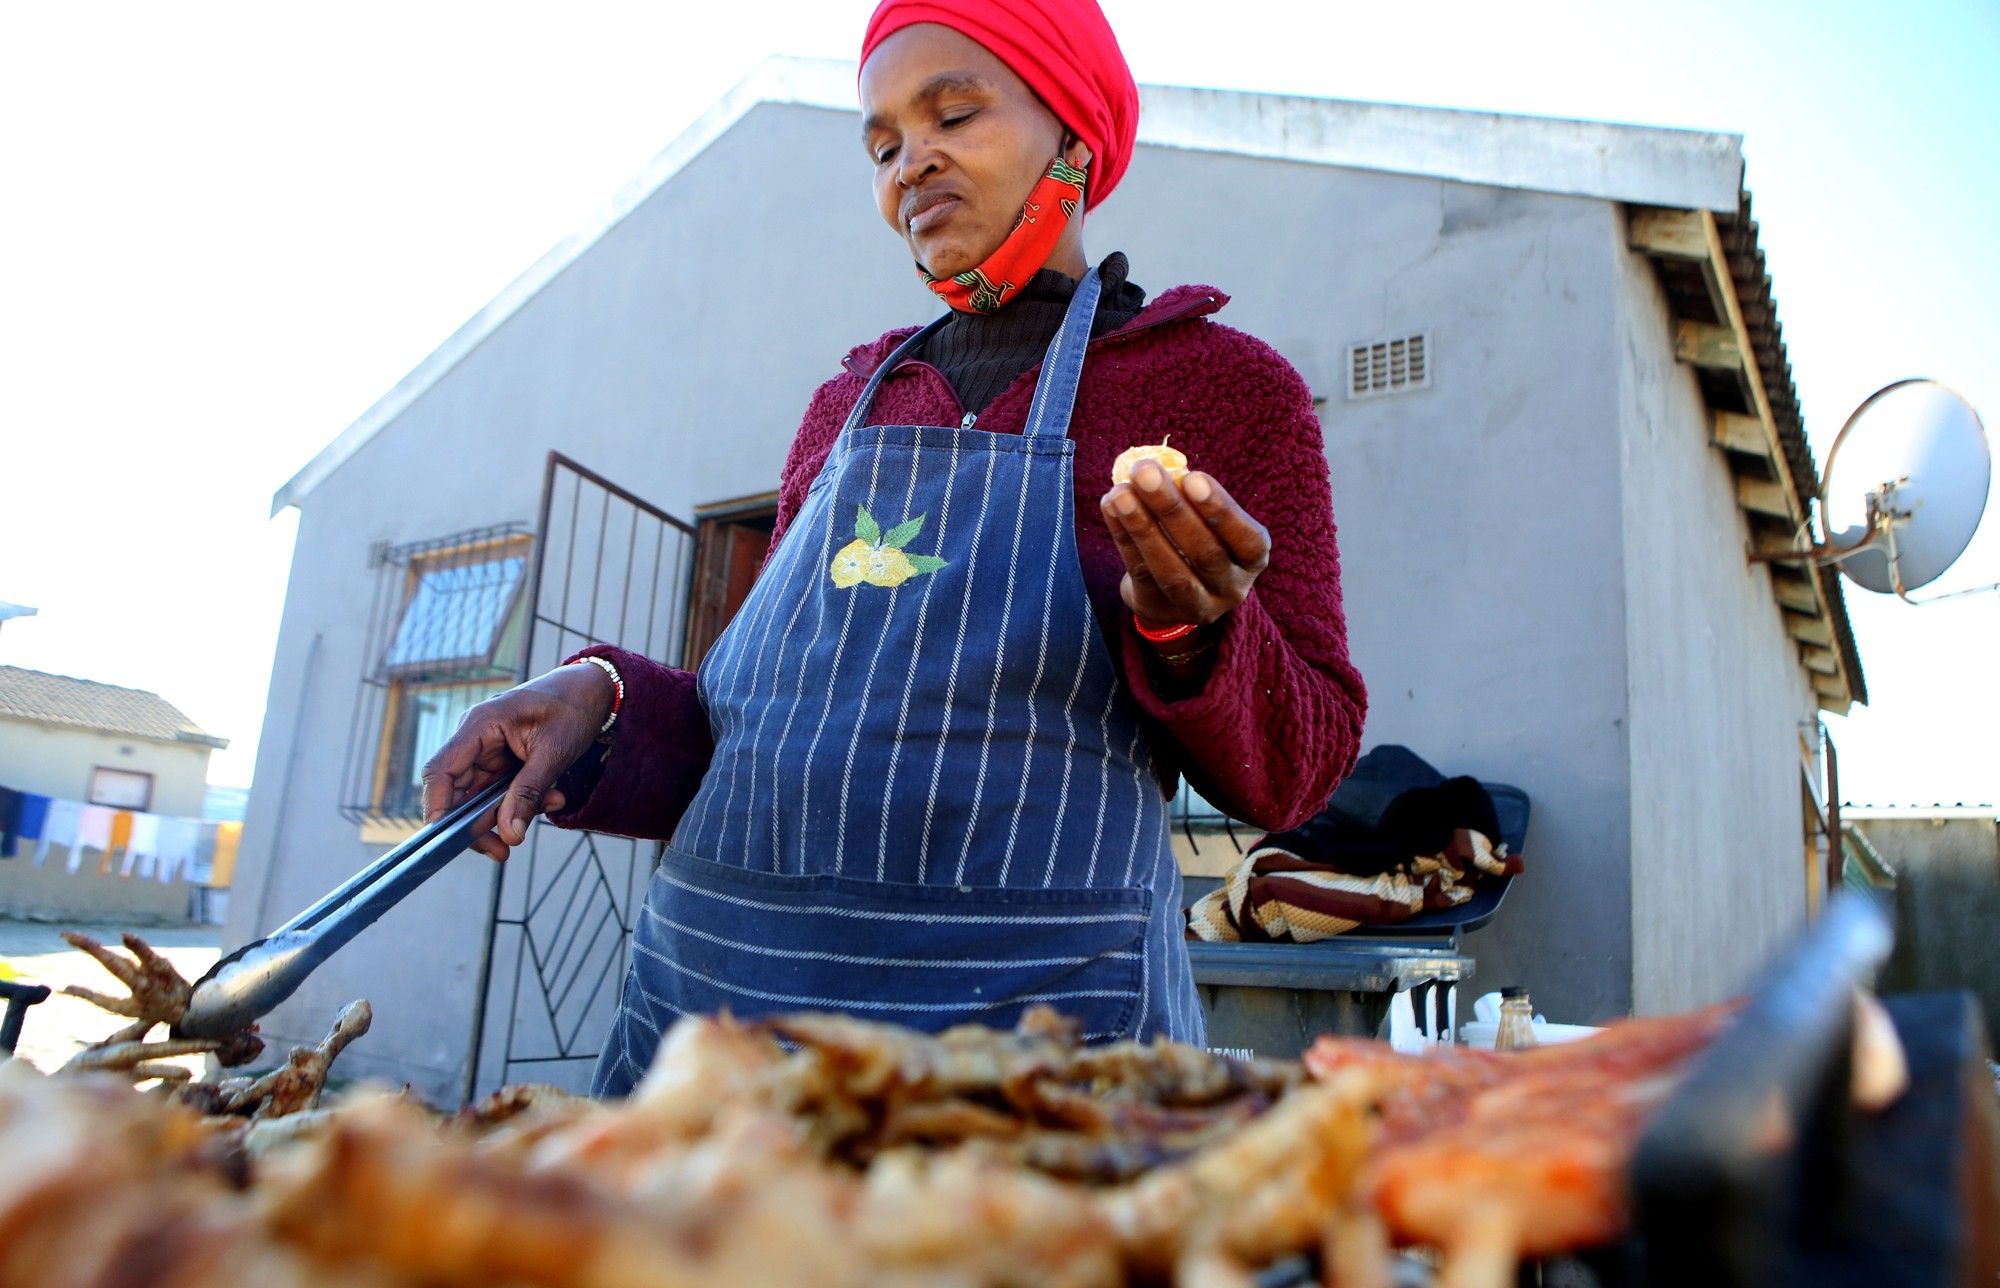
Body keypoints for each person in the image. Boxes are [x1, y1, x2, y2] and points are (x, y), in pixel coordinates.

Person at [423, 0, 1367, 1097]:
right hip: (726, 1045)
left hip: (1030, 1073)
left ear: (1072, 130)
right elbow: (766, 735)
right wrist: (601, 701)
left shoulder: (1217, 388)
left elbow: (1302, 767)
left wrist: (1193, 632)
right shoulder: (844, 405)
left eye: (953, 114)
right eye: (880, 145)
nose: (910, 163)